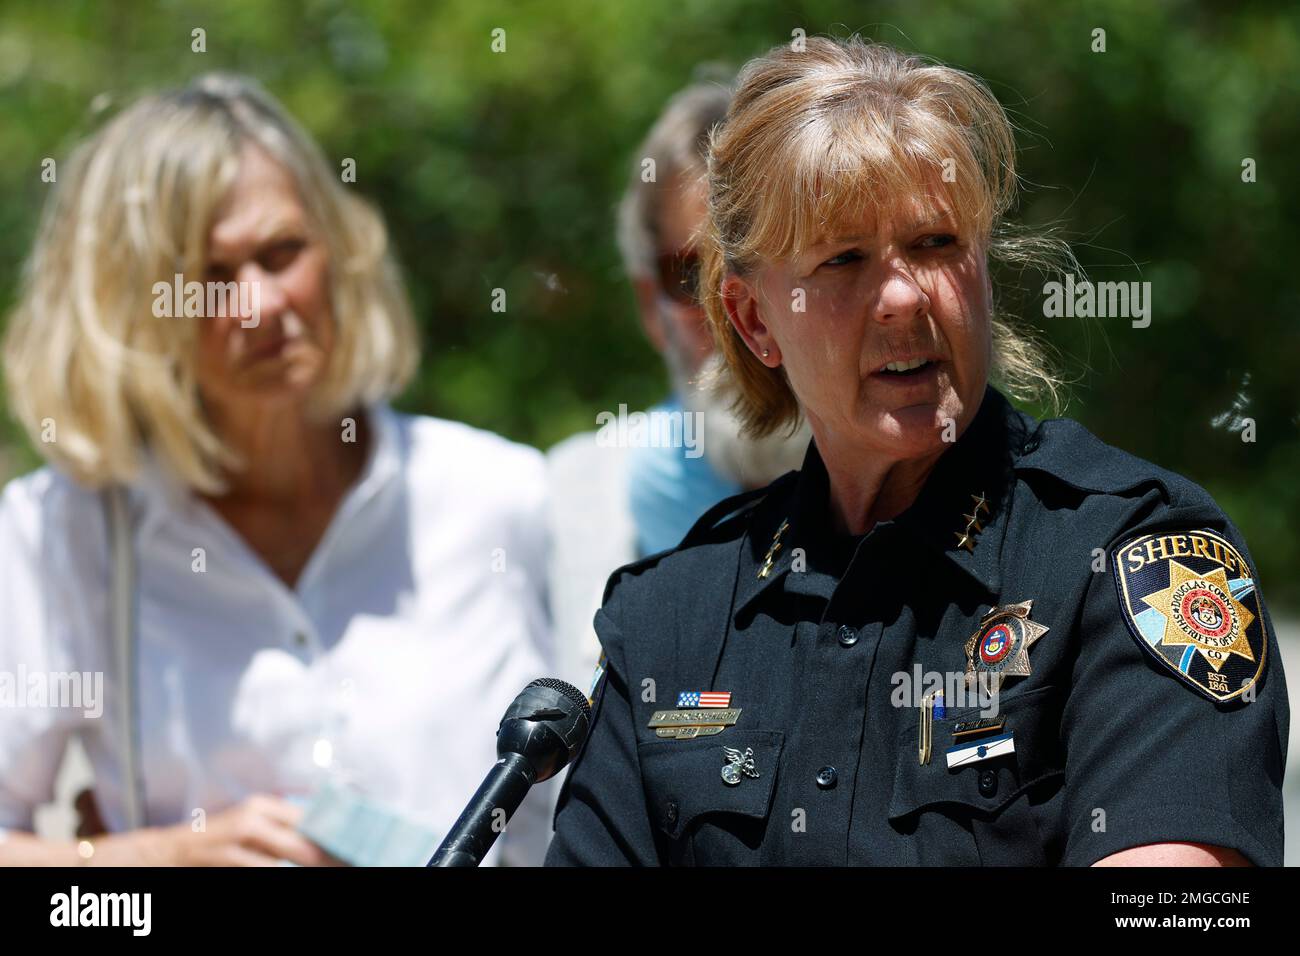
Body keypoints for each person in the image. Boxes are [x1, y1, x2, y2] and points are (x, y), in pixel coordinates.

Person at [546, 36, 1288, 866]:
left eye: (937, 244)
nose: (903, 295)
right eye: (844, 260)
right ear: (755, 321)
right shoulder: (667, 620)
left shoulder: (1141, 562)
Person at [0, 74, 553, 866]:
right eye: (209, 278)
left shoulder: (499, 496)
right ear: (130, 309)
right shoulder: (63, 534)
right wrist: (158, 860)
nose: (259, 304)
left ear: (339, 249)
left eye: (281, 252)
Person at [547, 79, 808, 689]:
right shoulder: (567, 504)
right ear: (648, 304)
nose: (736, 312)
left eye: (772, 265)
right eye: (691, 274)